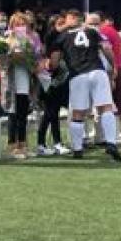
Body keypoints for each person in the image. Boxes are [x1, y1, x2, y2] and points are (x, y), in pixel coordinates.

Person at [47, 10, 121, 162]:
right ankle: (111, 143)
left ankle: (77, 149)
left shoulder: (62, 37)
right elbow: (107, 49)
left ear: (72, 18)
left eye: (66, 19)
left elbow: (54, 61)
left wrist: (51, 67)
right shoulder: (92, 31)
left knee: (78, 113)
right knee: (106, 107)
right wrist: (113, 67)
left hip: (78, 75)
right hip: (97, 71)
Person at [1, 12, 39, 159]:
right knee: (13, 115)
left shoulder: (29, 40)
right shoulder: (6, 40)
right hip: (11, 83)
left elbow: (34, 58)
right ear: (12, 25)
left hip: (25, 81)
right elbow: (2, 62)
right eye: (18, 24)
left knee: (23, 115)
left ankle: (22, 145)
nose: (21, 26)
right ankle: (12, 147)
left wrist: (34, 62)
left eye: (23, 24)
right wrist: (12, 57)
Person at [36, 14, 71, 157]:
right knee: (50, 114)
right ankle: (48, 143)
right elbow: (51, 35)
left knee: (52, 114)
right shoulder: (50, 39)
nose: (63, 26)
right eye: (60, 23)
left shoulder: (65, 40)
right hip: (49, 81)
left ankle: (52, 143)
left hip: (62, 81)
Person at [96, 13, 121, 140]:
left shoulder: (103, 31)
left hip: (111, 69)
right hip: (119, 67)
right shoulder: (113, 31)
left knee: (105, 103)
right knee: (120, 100)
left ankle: (104, 134)